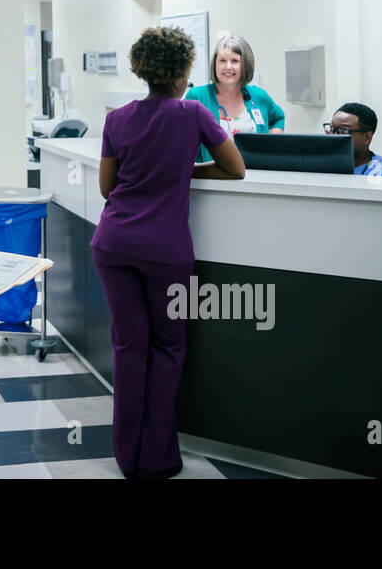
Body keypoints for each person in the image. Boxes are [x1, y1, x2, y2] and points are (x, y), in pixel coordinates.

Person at [92, 26, 246, 480]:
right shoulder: (193, 112)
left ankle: (127, 458)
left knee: (127, 346)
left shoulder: (116, 118)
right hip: (166, 250)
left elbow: (107, 187)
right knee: (167, 348)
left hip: (114, 244)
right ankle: (158, 459)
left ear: (142, 69)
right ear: (182, 71)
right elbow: (235, 168)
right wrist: (185, 169)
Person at [185, 34, 284, 162]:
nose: (228, 67)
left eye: (235, 61)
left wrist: (271, 144)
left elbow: (278, 118)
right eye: (222, 60)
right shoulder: (197, 97)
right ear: (215, 64)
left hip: (255, 177)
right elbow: (181, 139)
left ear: (245, 65)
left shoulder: (259, 96)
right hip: (211, 178)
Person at [325, 102, 382, 177]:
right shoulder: (322, 166)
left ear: (367, 137)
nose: (334, 136)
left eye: (343, 131)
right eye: (332, 129)